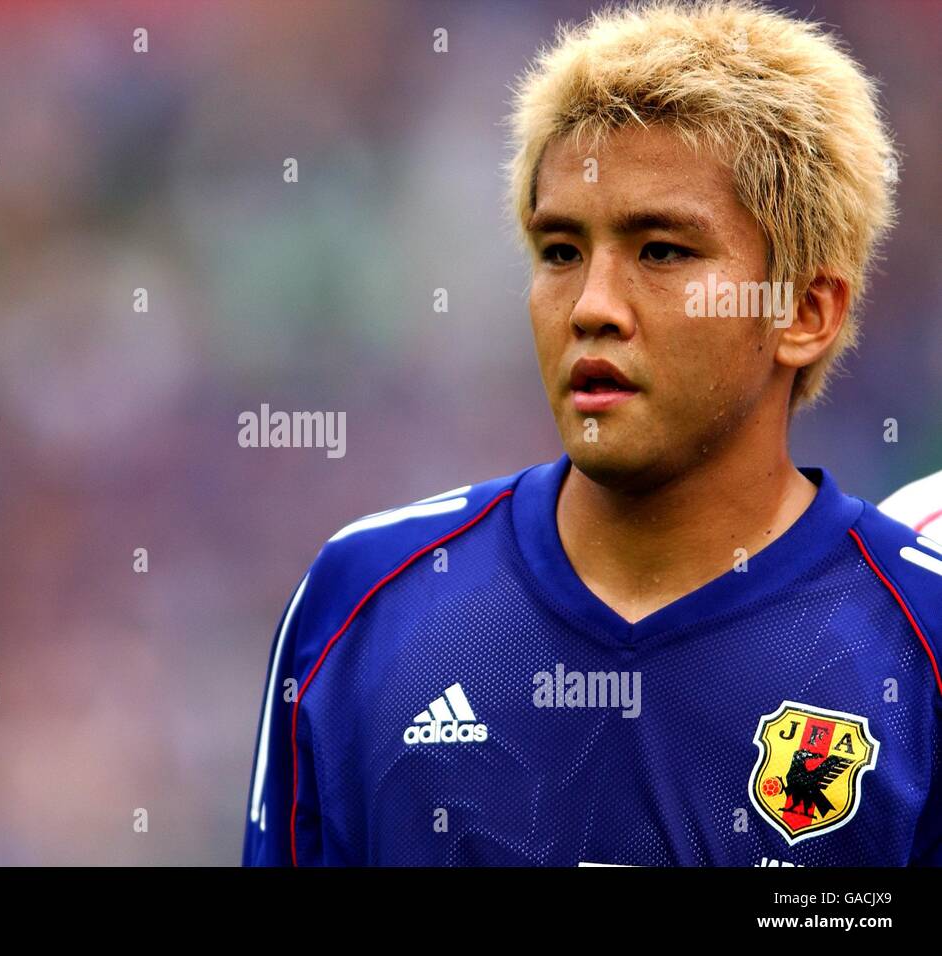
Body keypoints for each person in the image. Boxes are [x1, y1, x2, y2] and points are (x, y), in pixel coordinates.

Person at [242, 0, 941, 866]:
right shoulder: (361, 605)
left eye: (661, 252)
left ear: (804, 311)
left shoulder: (919, 646)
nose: (592, 308)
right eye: (561, 252)